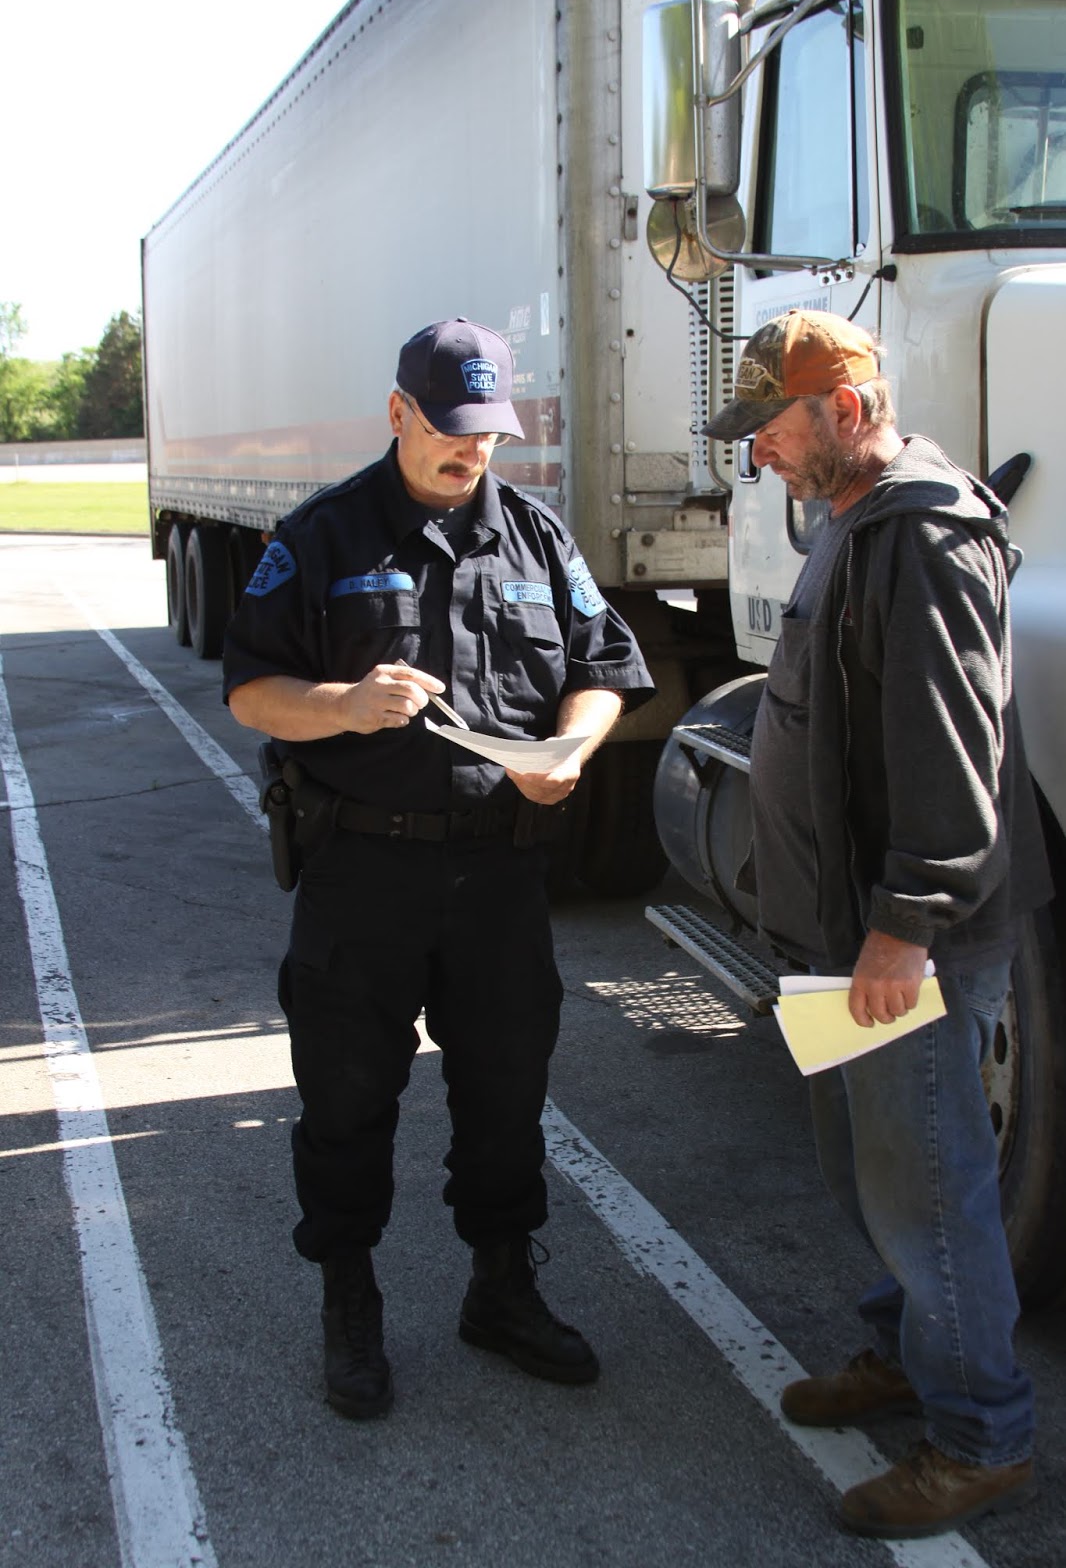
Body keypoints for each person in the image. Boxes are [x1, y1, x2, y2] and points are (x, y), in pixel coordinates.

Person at [223, 316, 654, 1420]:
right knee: (348, 1094)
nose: (473, 455)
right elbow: (250, 690)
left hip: (501, 878)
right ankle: (349, 1294)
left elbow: (603, 667)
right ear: (398, 413)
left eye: (489, 434)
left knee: (507, 1091)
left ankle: (500, 1288)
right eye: (451, 433)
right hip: (363, 874)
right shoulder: (322, 536)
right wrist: (345, 705)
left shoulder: (537, 537)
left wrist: (571, 746)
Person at [705, 309, 1052, 1539]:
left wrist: (903, 926)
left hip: (895, 947)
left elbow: (953, 757)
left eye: (770, 427)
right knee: (869, 1177)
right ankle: (908, 1355)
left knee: (931, 1193)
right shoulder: (852, 517)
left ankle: (980, 1440)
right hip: (836, 941)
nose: (758, 455)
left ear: (845, 409)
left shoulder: (923, 534)